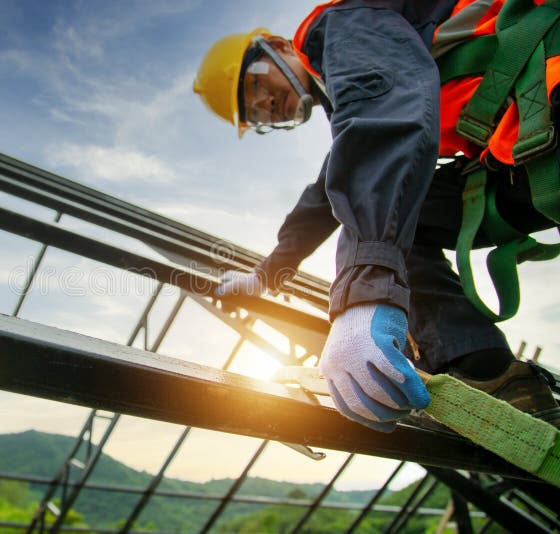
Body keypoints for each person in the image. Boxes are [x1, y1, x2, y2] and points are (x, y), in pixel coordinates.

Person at [193, 0, 560, 432]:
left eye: (256, 88)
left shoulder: (340, 25)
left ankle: (481, 369)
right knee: (395, 205)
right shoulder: (350, 96)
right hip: (533, 145)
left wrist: (363, 297)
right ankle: (484, 369)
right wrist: (268, 273)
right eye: (256, 113)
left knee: (393, 205)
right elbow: (328, 191)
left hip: (546, 110)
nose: (268, 104)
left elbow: (384, 125)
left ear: (274, 46)